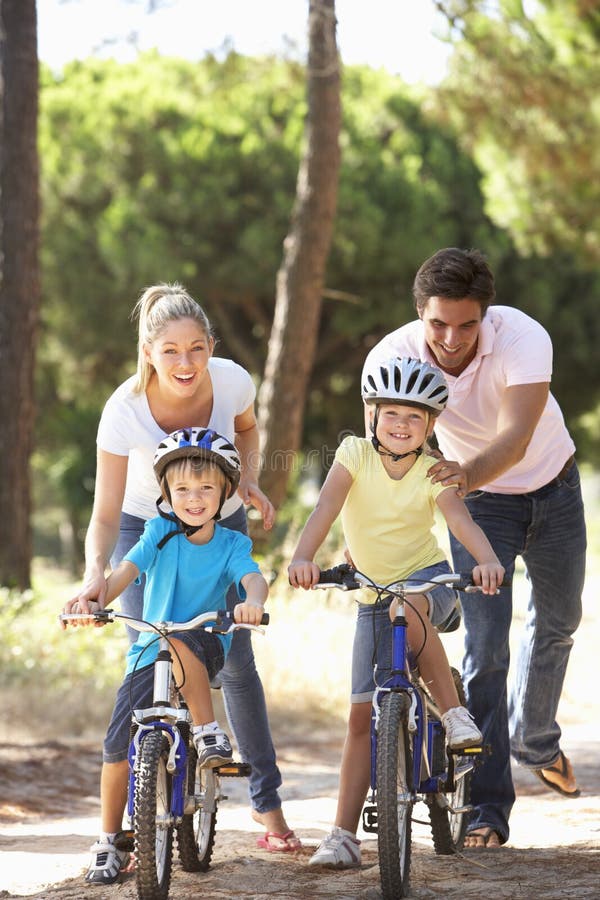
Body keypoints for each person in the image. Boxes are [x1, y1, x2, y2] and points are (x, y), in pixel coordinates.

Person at [62, 283, 301, 854]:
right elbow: (104, 513)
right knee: (151, 652)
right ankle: (144, 805)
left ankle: (266, 805)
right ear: (148, 352)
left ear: (212, 346)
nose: (186, 362)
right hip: (145, 526)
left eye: (197, 348)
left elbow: (245, 429)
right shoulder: (124, 411)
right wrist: (97, 574)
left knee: (236, 661)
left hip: (220, 515)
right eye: (170, 350)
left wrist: (246, 480)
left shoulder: (234, 379)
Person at [363, 247, 586, 849]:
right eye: (439, 323)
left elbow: (514, 438)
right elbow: (385, 453)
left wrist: (461, 475)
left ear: (486, 316)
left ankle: (534, 739)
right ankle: (488, 809)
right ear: (419, 313)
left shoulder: (521, 337)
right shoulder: (393, 356)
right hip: (481, 506)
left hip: (552, 488)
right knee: (487, 651)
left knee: (559, 622)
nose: (453, 338)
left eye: (467, 324)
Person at [288, 356, 505, 868]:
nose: (402, 425)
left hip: (430, 583)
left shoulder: (435, 470)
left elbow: (459, 521)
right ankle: (342, 836)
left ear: (431, 425)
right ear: (372, 416)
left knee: (407, 605)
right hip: (371, 593)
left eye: (415, 417)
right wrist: (302, 556)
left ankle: (453, 713)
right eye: (392, 414)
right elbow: (326, 508)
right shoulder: (354, 455)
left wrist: (488, 560)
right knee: (360, 717)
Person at [63, 428, 269, 884]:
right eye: (182, 490)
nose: (194, 498)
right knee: (116, 748)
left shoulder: (232, 544)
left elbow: (253, 578)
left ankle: (207, 730)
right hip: (148, 648)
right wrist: (96, 601)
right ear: (166, 493)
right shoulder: (158, 532)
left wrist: (252, 601)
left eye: (206, 489)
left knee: (177, 642)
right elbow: (125, 572)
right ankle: (107, 839)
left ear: (225, 493)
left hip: (205, 640)